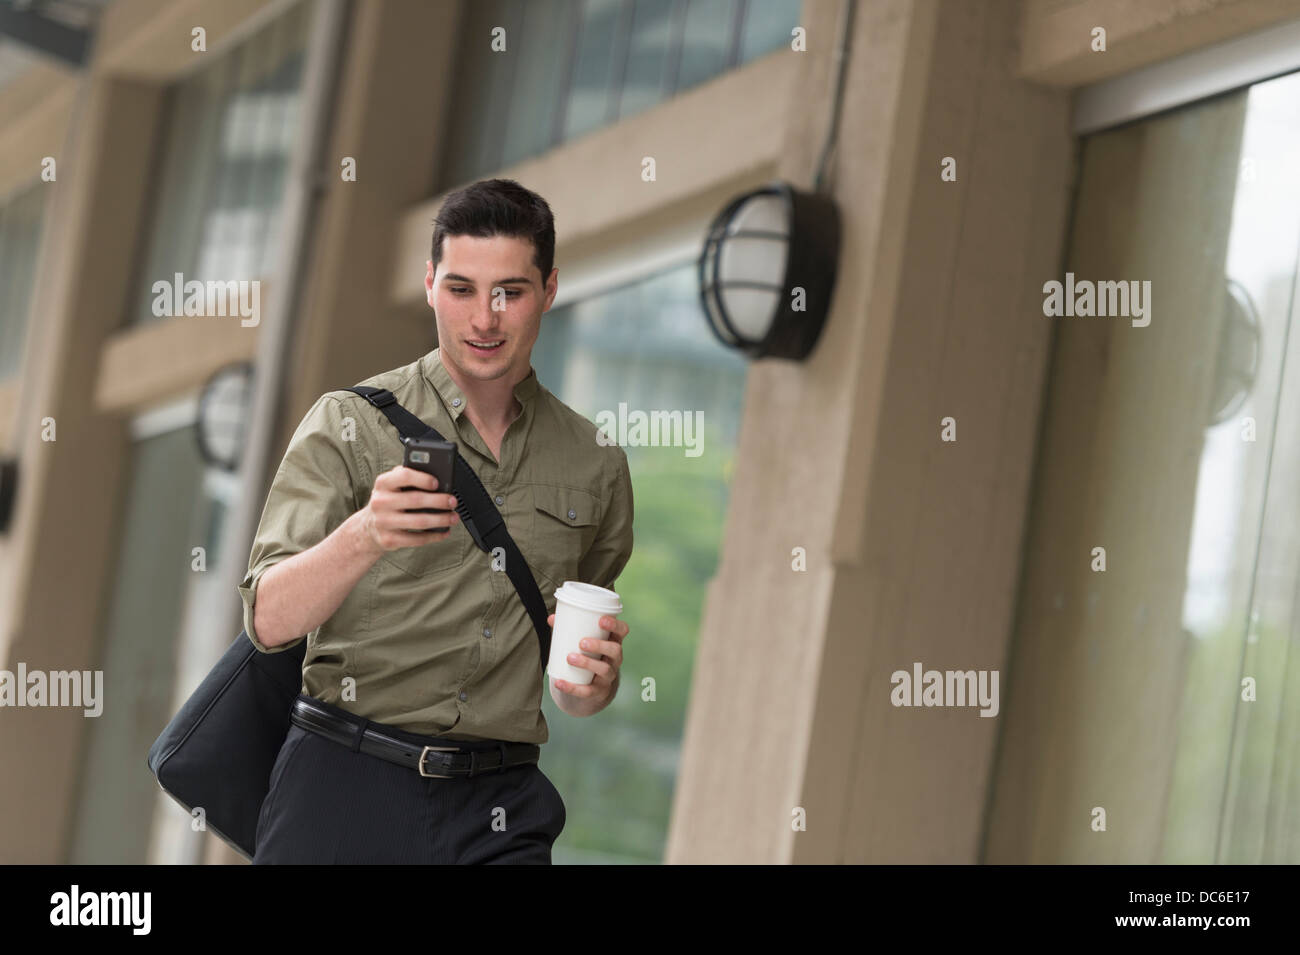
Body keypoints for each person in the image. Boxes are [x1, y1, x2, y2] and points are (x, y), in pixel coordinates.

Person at [239, 178, 634, 863]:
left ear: (549, 289)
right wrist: (366, 533)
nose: (484, 318)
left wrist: (593, 687)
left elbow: (569, 676)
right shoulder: (350, 423)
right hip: (344, 783)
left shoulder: (594, 465)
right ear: (428, 285)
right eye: (460, 289)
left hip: (498, 806)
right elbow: (268, 618)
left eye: (509, 291)